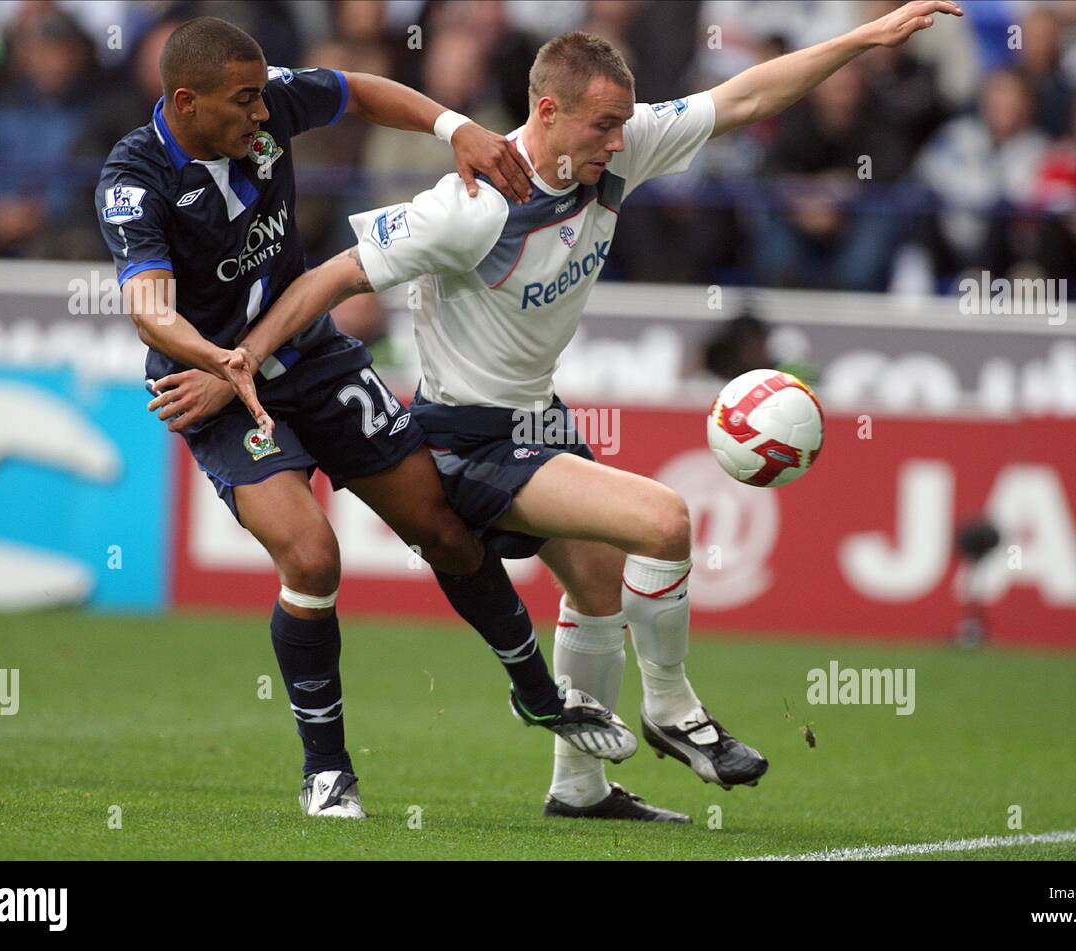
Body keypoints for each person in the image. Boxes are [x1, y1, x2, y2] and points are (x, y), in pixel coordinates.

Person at [219, 1, 964, 822]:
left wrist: (861, 38)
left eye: (624, 122)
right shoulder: (469, 204)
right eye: (605, 123)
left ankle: (580, 789)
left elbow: (748, 98)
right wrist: (242, 361)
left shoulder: (618, 148)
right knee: (664, 519)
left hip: (537, 417)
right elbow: (332, 277)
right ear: (548, 110)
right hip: (465, 438)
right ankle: (673, 710)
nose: (621, 138)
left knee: (604, 583)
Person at [96, 16, 635, 822]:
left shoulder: (263, 102)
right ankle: (328, 770)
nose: (261, 114)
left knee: (446, 528)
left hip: (310, 354)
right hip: (217, 390)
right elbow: (149, 310)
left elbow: (358, 92)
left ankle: (538, 694)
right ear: (186, 101)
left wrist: (454, 127)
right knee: (313, 557)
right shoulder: (133, 179)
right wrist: (220, 364)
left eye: (261, 97)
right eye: (243, 102)